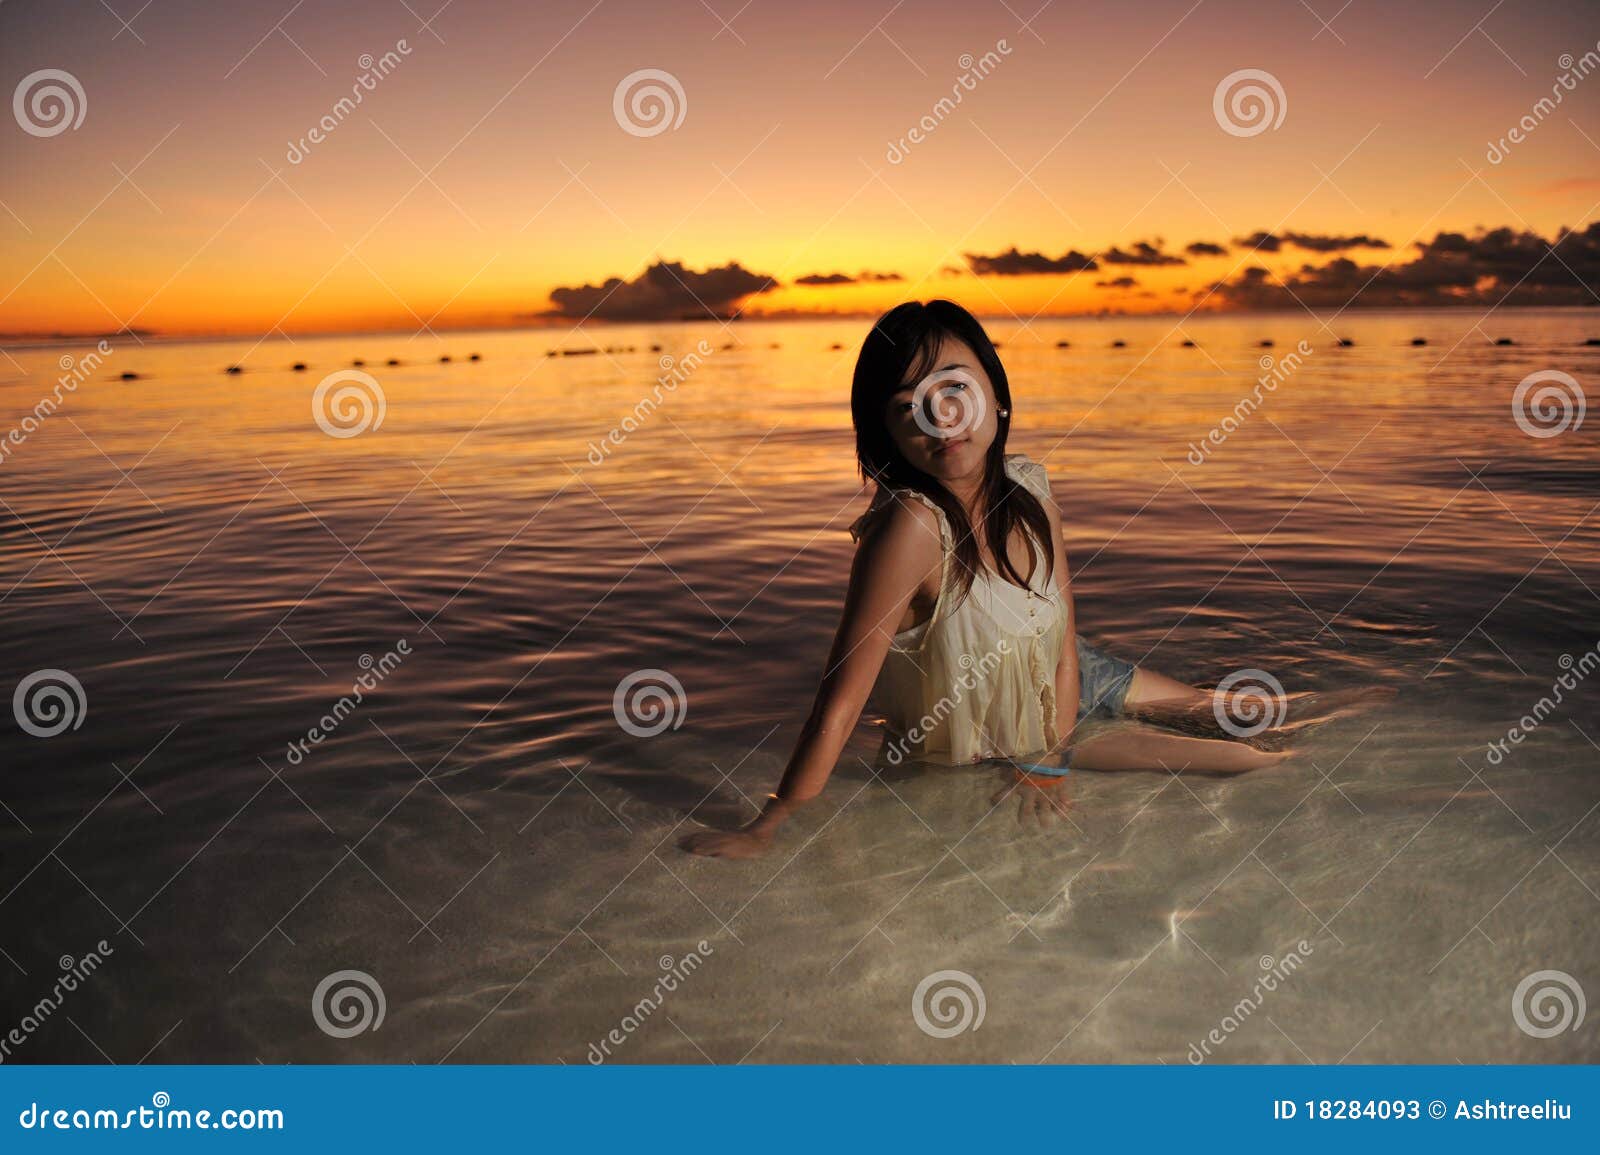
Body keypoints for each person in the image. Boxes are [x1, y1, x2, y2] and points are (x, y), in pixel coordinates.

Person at [683, 301, 1303, 859]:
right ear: (887, 434)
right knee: (1250, 761)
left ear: (996, 395)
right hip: (997, 730)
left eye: (954, 388)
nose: (941, 419)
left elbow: (1063, 647)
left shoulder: (1030, 486)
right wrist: (769, 822)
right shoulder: (910, 530)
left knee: (1259, 711)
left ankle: (1362, 711)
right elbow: (838, 706)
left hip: (1068, 680)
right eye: (907, 407)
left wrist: (1050, 761)